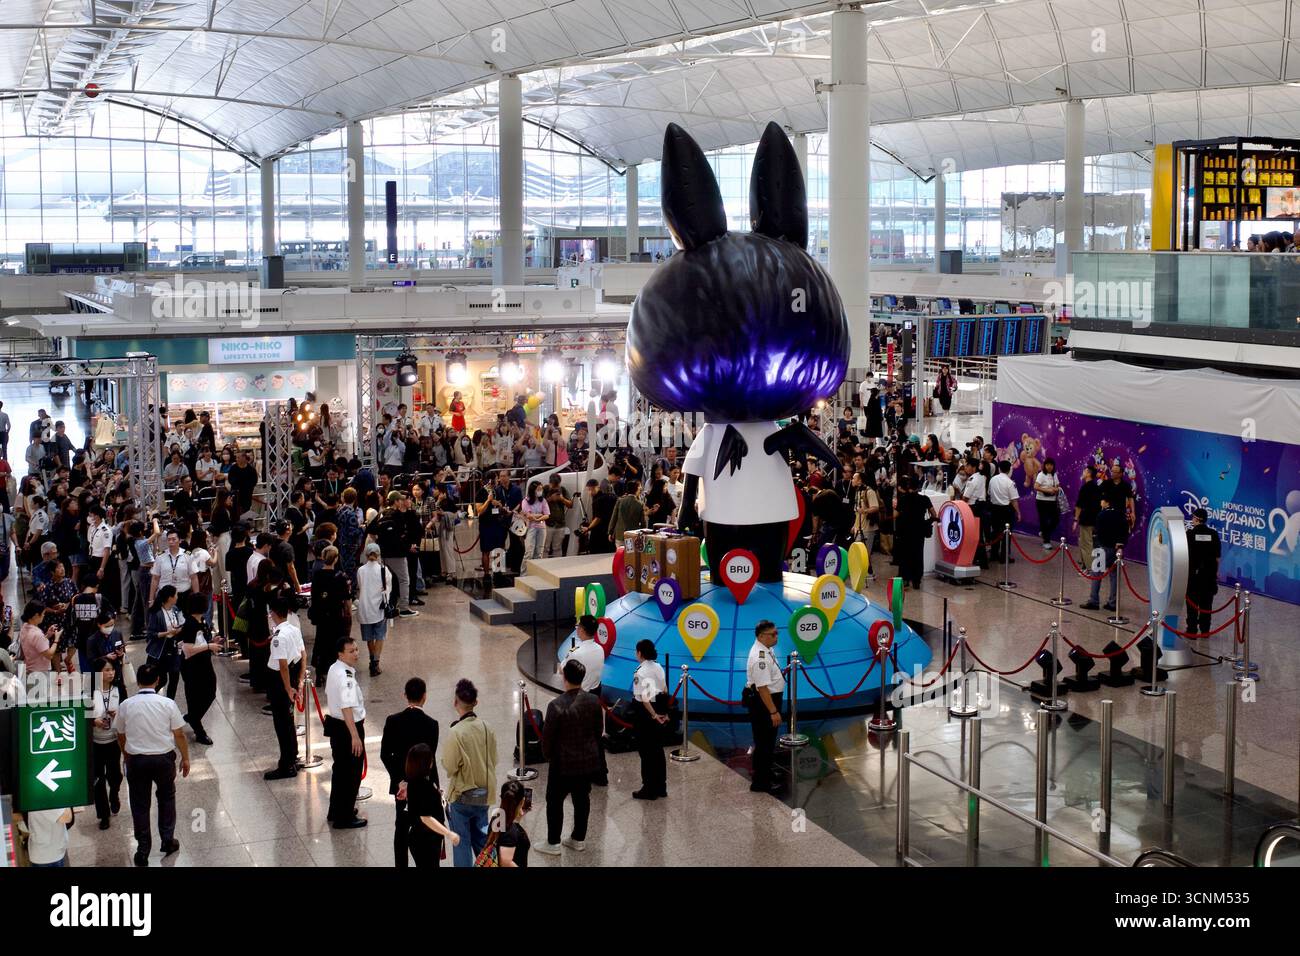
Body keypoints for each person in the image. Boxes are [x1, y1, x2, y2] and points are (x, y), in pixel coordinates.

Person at [114, 661, 190, 867]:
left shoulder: (126, 705)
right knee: (166, 798)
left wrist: (126, 754)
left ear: (137, 682)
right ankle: (167, 840)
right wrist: (186, 758)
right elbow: (179, 734)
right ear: (158, 681)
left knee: (139, 804)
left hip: (137, 760)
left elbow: (120, 733)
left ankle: (143, 848)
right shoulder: (167, 704)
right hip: (163, 759)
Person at [536, 658, 603, 856]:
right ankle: (578, 839)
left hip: (562, 764)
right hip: (587, 761)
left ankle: (553, 842)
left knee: (554, 801)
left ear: (564, 677)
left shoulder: (556, 705)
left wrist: (549, 756)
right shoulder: (593, 700)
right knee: (582, 799)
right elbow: (599, 731)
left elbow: (547, 739)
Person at [381, 677, 441, 867]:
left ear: (405, 696)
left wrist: (400, 780)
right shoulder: (432, 724)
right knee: (426, 827)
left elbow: (385, 754)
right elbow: (429, 760)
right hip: (424, 787)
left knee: (401, 828)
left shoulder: (393, 721)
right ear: (425, 697)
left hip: (402, 789)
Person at [442, 678, 497, 867]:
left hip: (462, 796)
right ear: (476, 702)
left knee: (461, 842)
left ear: (455, 702)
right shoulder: (487, 727)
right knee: (483, 839)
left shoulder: (456, 732)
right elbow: (494, 760)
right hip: (483, 793)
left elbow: (449, 766)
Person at [324, 637, 368, 828]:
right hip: (348, 728)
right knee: (351, 773)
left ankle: (337, 809)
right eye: (351, 651)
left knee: (340, 770)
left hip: (336, 726)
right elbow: (347, 707)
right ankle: (345, 816)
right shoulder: (346, 678)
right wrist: (355, 736)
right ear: (340, 654)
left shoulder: (335, 669)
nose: (356, 654)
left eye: (357, 650)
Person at [263, 594, 304, 780]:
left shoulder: (278, 637)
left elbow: (282, 666)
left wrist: (288, 688)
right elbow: (303, 655)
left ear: (273, 613)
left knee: (282, 723)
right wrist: (299, 681)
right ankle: (292, 757)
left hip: (280, 681)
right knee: (289, 721)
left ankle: (286, 764)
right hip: (294, 674)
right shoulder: (294, 629)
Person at [565, 614, 607, 785]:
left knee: (578, 737)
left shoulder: (576, 652)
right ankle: (601, 774)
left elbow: (564, 670)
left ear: (582, 630)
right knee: (596, 735)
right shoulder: (600, 649)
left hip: (578, 698)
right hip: (595, 696)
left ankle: (581, 773)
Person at [400, 743, 459, 867]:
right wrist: (448, 833)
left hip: (420, 838)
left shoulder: (414, 781)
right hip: (425, 841)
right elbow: (426, 818)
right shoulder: (424, 787)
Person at [743, 620, 785, 794]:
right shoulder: (759, 657)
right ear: (761, 636)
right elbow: (762, 689)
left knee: (768, 740)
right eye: (773, 634)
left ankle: (766, 771)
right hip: (764, 703)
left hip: (769, 699)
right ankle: (761, 782)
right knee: (764, 742)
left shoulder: (767, 649)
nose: (776, 637)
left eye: (777, 633)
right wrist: (773, 711)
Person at [177, 592, 221, 745]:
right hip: (192, 667)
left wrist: (212, 641)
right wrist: (208, 646)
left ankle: (191, 717)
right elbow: (188, 650)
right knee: (194, 697)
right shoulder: (189, 625)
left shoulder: (202, 621)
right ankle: (198, 730)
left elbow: (201, 640)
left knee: (210, 693)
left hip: (204, 663)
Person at [631, 639, 669, 800]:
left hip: (646, 714)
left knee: (646, 752)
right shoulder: (658, 667)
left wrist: (653, 715)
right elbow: (665, 690)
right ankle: (661, 786)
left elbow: (644, 699)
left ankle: (649, 788)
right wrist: (662, 713)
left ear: (640, 653)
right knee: (658, 751)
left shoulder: (640, 672)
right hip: (660, 708)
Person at [309, 545, 351, 685]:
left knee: (321, 641)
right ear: (336, 559)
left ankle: (320, 671)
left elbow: (314, 594)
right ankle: (335, 671)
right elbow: (346, 599)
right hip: (335, 614)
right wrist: (348, 615)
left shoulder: (317, 575)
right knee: (336, 642)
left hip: (321, 614)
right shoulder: (340, 577)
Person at [90, 659, 124, 830]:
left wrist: (118, 713)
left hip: (113, 741)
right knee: (98, 779)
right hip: (95, 743)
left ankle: (115, 795)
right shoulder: (89, 691)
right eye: (107, 670)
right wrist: (93, 721)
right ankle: (103, 815)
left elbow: (126, 710)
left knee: (115, 775)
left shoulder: (119, 690)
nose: (111, 673)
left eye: (112, 669)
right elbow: (81, 713)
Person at [892, 476, 938, 590]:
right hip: (919, 531)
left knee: (905, 555)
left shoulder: (903, 499)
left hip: (905, 531)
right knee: (918, 554)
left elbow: (895, 515)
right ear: (918, 487)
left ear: (908, 487)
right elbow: (933, 513)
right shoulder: (925, 499)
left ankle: (906, 579)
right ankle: (916, 580)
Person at [1081, 493, 1125, 611]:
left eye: (1103, 500)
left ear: (1107, 502)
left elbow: (1098, 532)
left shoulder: (1101, 515)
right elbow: (1125, 530)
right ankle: (1112, 602)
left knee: (1096, 574)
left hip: (1102, 547)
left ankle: (1094, 601)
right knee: (1114, 576)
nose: (1101, 502)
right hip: (1115, 549)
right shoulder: (1120, 514)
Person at [356, 542, 393, 676]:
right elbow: (388, 588)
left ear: (366, 555)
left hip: (364, 608)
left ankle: (372, 660)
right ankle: (375, 663)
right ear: (378, 555)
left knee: (369, 638)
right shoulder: (384, 570)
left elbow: (360, 586)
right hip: (379, 608)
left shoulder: (360, 570)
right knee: (380, 636)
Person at [1184, 508, 1222, 635]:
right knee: (1207, 603)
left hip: (1194, 575)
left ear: (1196, 519)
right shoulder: (1214, 534)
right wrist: (1216, 572)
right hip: (1209, 574)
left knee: (1192, 603)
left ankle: (1192, 629)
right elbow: (1217, 557)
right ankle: (1205, 629)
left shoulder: (1189, 534)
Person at [145, 585, 185, 699]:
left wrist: (179, 629)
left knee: (175, 677)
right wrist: (167, 633)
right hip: (160, 650)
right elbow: (151, 634)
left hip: (174, 647)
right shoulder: (156, 612)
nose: (177, 597)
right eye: (176, 594)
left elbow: (181, 623)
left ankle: (170, 703)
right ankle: (149, 699)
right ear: (169, 598)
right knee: (162, 680)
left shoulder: (175, 610)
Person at [488, 779, 532, 867]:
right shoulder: (511, 832)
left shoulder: (496, 818)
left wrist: (518, 815)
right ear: (522, 801)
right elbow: (505, 862)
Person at [987, 459, 1021, 564]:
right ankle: (1004, 556)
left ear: (999, 468)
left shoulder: (992, 479)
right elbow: (1013, 500)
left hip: (994, 509)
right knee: (1006, 533)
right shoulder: (1010, 482)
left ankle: (994, 554)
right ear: (1009, 469)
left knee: (995, 532)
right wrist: (1018, 512)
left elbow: (989, 493)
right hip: (1006, 510)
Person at [1073, 465, 1101, 569]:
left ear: (1089, 473)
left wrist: (1075, 519)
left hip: (1086, 520)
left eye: (1085, 471)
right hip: (1094, 519)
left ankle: (1089, 568)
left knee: (1086, 545)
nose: (1083, 472)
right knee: (1087, 543)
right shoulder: (1096, 488)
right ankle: (1085, 565)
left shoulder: (1085, 488)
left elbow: (1079, 505)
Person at [20, 600, 60, 673]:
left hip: (29, 668)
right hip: (40, 672)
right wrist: (56, 639)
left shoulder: (24, 627)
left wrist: (48, 635)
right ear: (36, 615)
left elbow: (36, 644)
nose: (44, 616)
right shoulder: (37, 634)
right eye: (43, 614)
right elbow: (49, 655)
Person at [608, 478, 645, 545]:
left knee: (620, 554)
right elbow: (643, 522)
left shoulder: (620, 501)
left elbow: (614, 517)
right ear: (637, 489)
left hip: (620, 534)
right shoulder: (640, 504)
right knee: (630, 555)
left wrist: (610, 532)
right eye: (640, 487)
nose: (641, 488)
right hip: (633, 535)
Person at [544, 475, 571, 557]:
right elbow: (539, 504)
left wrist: (562, 499)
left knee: (558, 548)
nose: (555, 488)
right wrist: (550, 499)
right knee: (545, 547)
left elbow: (570, 504)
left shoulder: (562, 490)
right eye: (554, 485)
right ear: (550, 483)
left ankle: (556, 566)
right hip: (547, 523)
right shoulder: (545, 490)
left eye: (557, 485)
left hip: (560, 523)